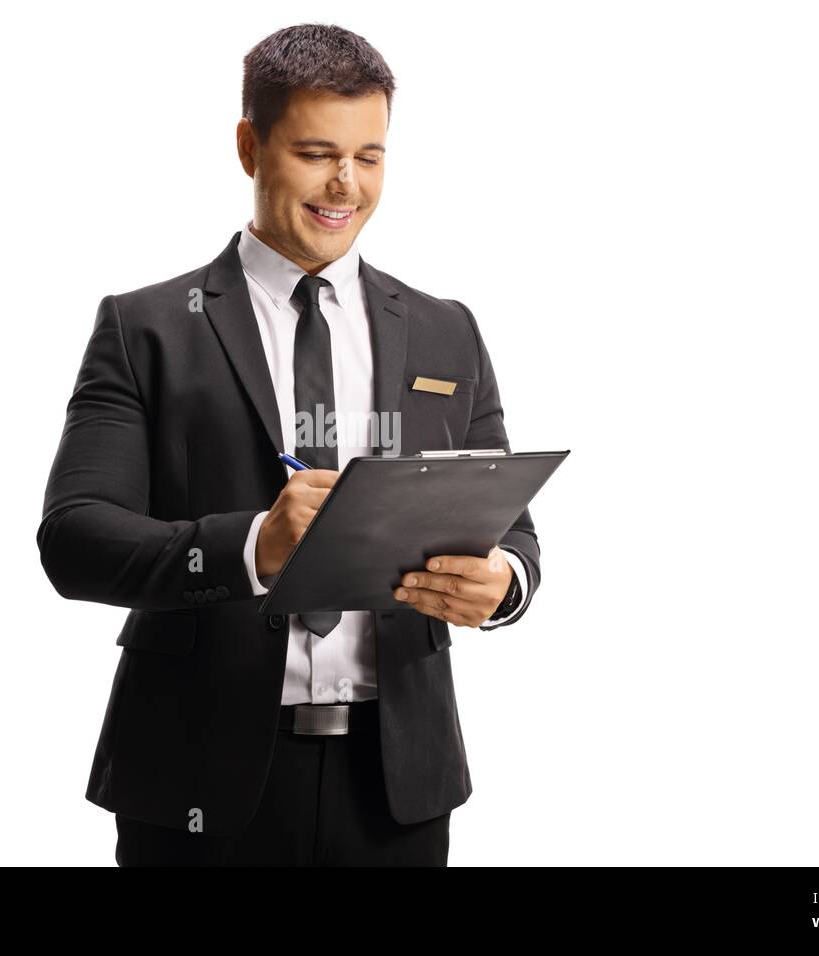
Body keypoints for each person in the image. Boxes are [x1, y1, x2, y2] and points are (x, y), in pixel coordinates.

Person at [37, 22, 542, 866]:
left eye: (370, 155)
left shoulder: (445, 332)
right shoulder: (147, 328)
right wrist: (251, 545)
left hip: (399, 788)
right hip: (196, 773)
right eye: (316, 152)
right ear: (250, 145)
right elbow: (74, 538)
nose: (346, 183)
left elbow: (512, 526)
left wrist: (506, 582)